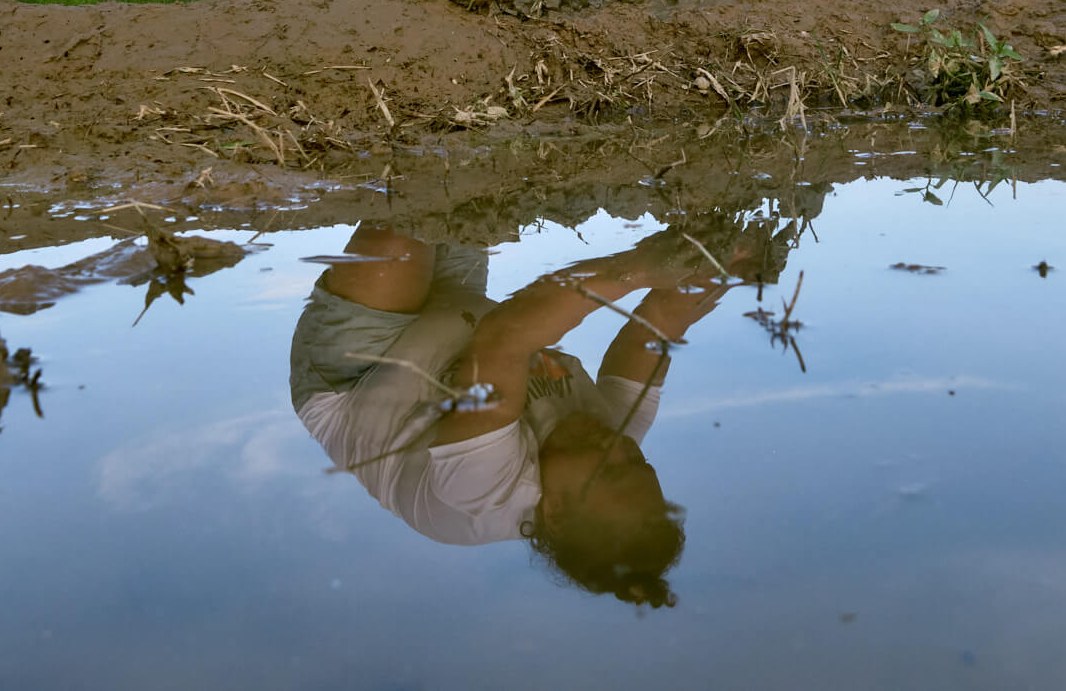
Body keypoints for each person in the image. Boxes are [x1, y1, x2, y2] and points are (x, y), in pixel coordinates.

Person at [289, 223, 752, 606]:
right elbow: (660, 324)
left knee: (401, 225)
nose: (619, 447)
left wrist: (634, 268)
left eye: (610, 471)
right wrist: (724, 262)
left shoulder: (483, 490)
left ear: (556, 511)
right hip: (459, 312)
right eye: (638, 462)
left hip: (365, 370)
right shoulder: (616, 444)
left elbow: (505, 337)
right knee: (464, 192)